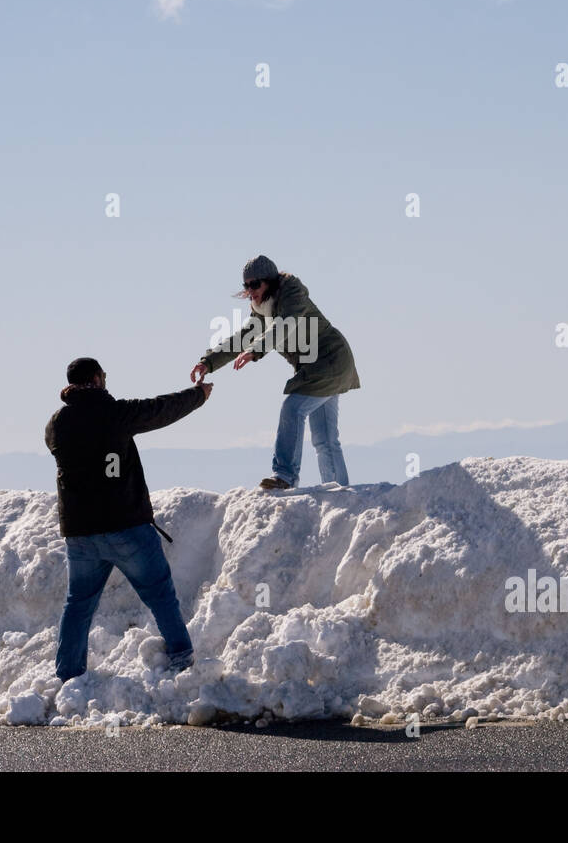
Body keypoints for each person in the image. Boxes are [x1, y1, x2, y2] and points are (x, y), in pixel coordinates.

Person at [44, 356, 212, 681]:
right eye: (104, 376)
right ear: (97, 378)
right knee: (160, 594)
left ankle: (67, 676)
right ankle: (181, 660)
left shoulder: (56, 424)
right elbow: (160, 409)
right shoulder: (115, 414)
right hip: (125, 527)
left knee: (78, 605)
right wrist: (197, 396)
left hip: (81, 534)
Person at [190, 255, 359, 490]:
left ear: (270, 282)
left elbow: (285, 326)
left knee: (293, 409)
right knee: (325, 438)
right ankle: (338, 489)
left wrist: (256, 350)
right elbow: (241, 337)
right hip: (323, 366)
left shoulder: (293, 296)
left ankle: (285, 477)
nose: (250, 291)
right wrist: (208, 362)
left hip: (329, 361)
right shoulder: (263, 310)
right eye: (246, 286)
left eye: (255, 284)